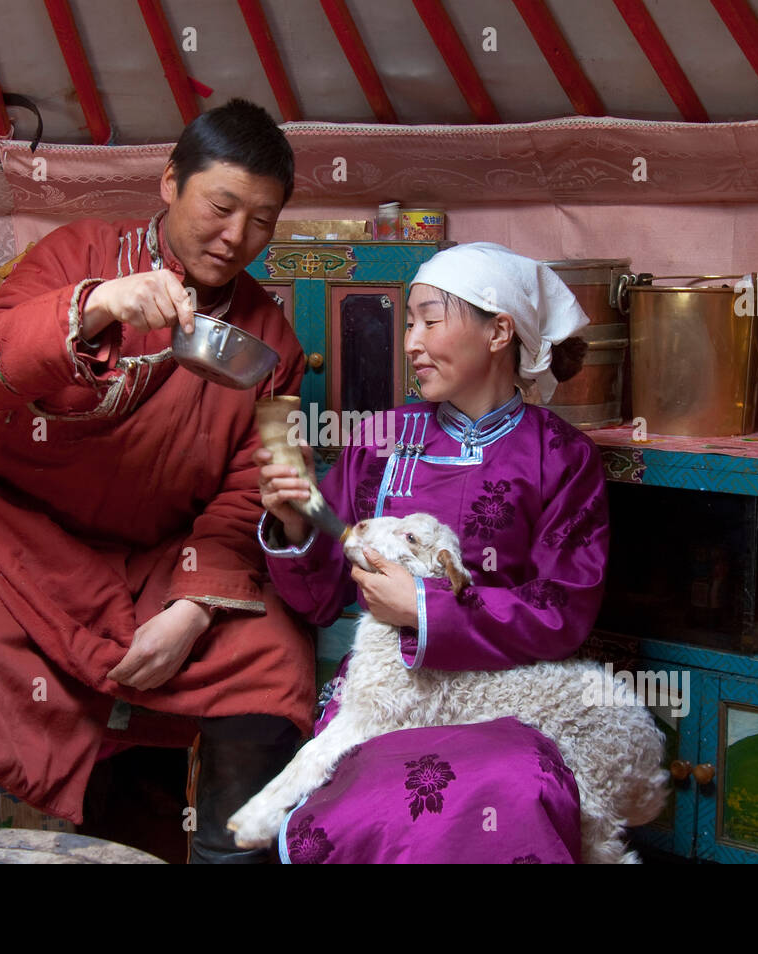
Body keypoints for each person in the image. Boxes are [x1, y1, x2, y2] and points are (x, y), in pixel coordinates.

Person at [0, 99, 315, 863]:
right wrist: (91, 309)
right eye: (221, 207)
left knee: (272, 658)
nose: (236, 237)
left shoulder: (270, 341)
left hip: (158, 559)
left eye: (262, 220)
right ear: (169, 183)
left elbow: (253, 487)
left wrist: (192, 607)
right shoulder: (73, 254)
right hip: (7, 535)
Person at [255, 242, 609, 863]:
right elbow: (318, 597)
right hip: (383, 701)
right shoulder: (382, 439)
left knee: (518, 789)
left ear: (499, 330)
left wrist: (423, 606)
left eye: (429, 320)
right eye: (407, 323)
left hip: (507, 703)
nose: (411, 342)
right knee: (375, 804)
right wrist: (292, 522)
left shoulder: (561, 457)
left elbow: (562, 612)